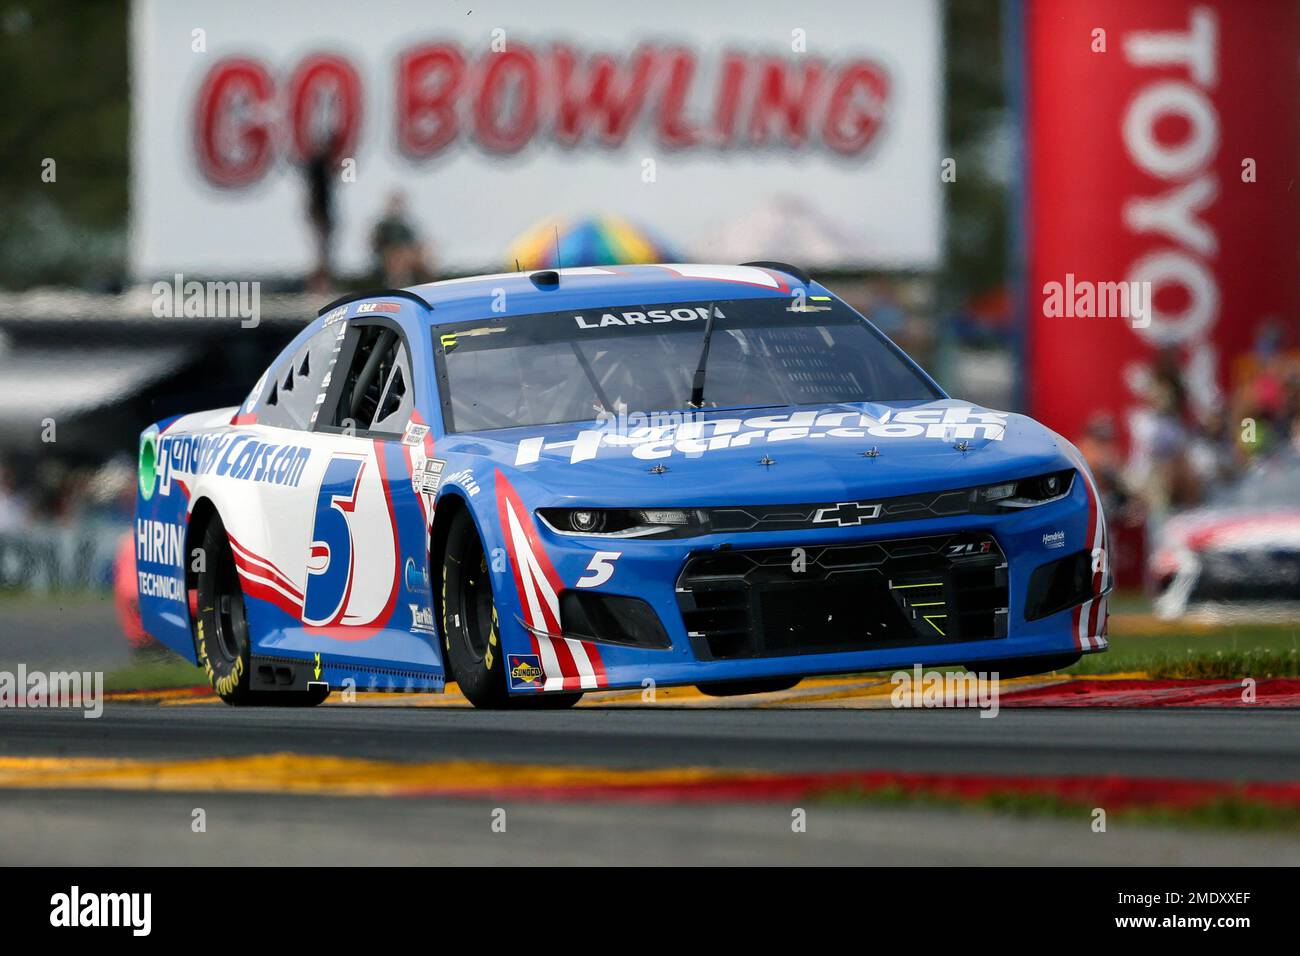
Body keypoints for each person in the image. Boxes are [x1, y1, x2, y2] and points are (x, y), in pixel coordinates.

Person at [370, 192, 433, 286]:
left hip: (406, 254)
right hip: (389, 256)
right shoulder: (383, 225)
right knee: (399, 257)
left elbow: (416, 242)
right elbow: (376, 244)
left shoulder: (409, 224)